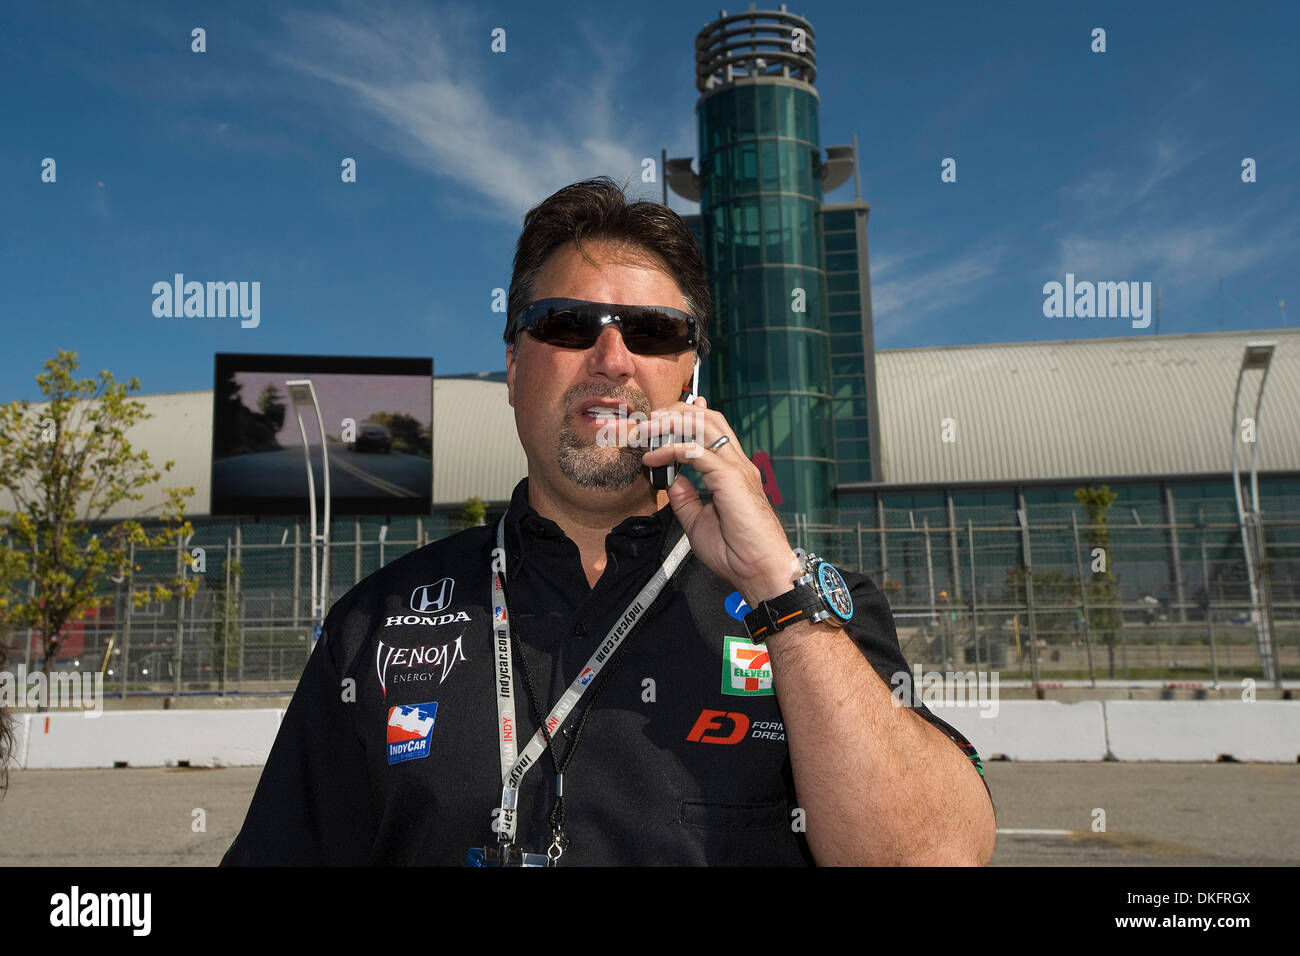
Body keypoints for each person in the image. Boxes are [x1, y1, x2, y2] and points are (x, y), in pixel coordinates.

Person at [222, 177, 996, 867]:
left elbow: (933, 856)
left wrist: (781, 598)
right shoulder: (376, 621)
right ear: (515, 366)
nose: (613, 357)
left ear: (689, 376)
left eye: (653, 331)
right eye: (567, 323)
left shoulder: (816, 607)